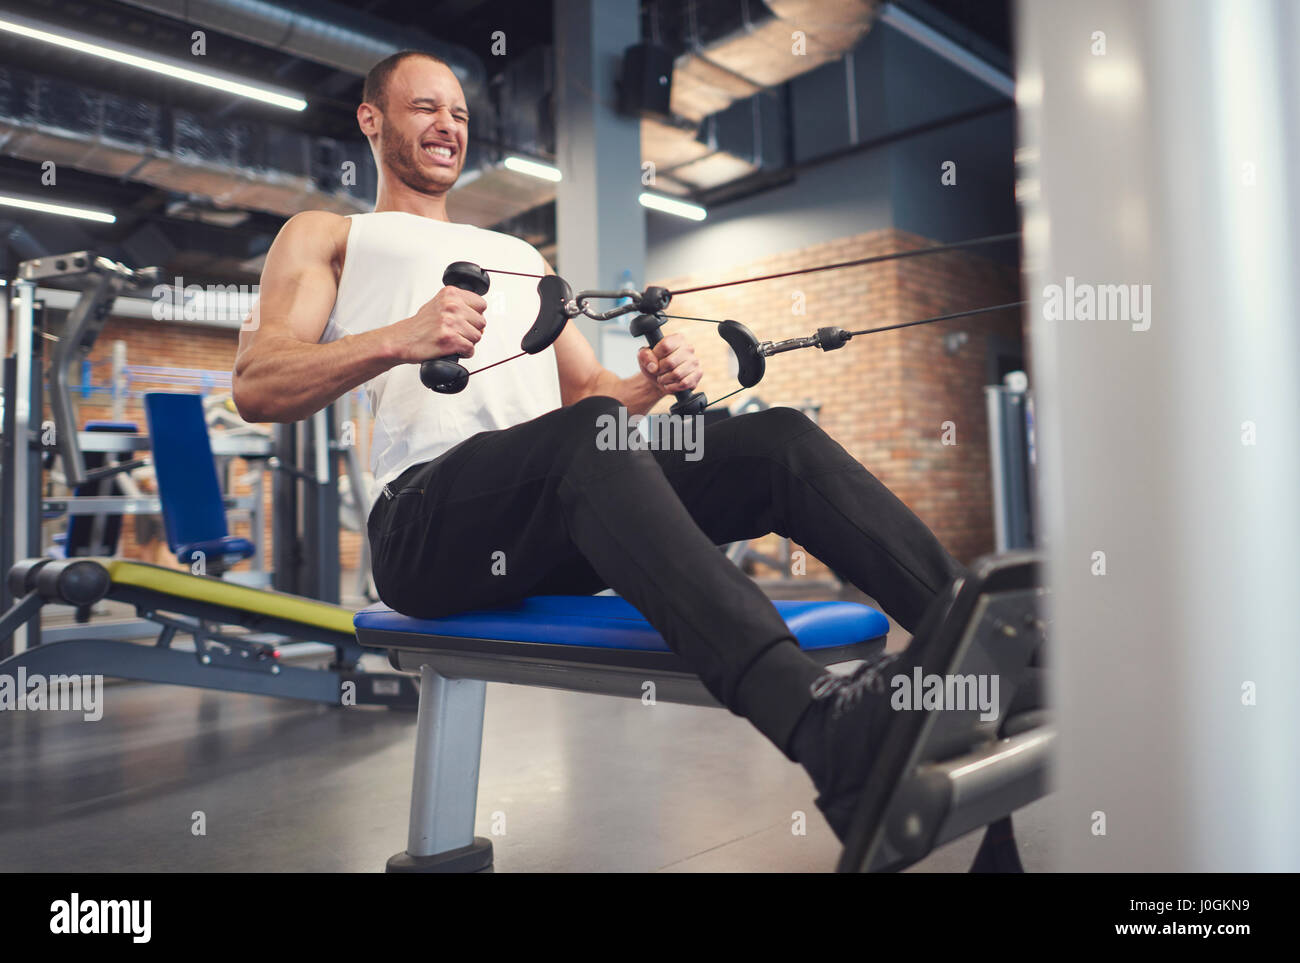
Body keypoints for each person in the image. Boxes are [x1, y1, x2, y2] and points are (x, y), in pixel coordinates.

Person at [232, 50, 970, 843]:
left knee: (774, 440)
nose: (447, 125)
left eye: (459, 114)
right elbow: (258, 383)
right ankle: (821, 726)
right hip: (422, 526)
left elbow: (590, 401)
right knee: (582, 442)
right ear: (372, 119)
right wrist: (402, 336)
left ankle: (981, 653)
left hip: (544, 525)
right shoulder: (331, 234)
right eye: (424, 108)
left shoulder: (520, 258)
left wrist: (648, 382)